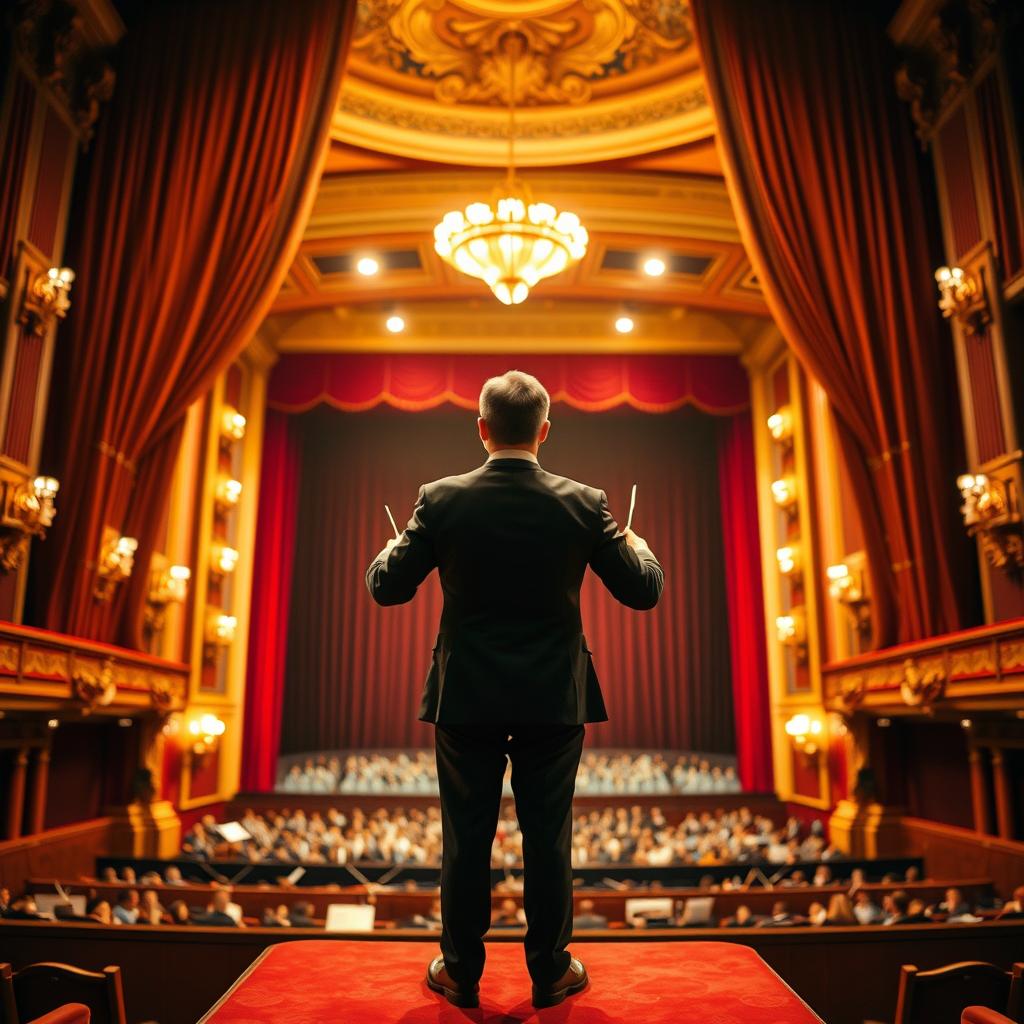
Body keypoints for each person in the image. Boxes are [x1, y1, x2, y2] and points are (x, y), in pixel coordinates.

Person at [366, 370, 663, 1009]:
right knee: (548, 839)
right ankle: (552, 972)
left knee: (465, 839)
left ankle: (461, 973)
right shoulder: (585, 502)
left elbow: (387, 587)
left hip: (466, 697)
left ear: (482, 429)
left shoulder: (439, 499)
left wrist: (391, 550)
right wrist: (640, 547)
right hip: (552, 700)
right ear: (544, 431)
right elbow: (644, 591)